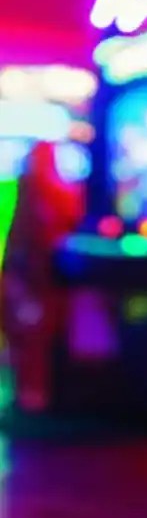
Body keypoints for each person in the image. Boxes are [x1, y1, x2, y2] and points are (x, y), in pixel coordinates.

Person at [1, 142, 81, 413]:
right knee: (32, 338)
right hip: (36, 279)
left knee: (34, 338)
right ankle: (33, 395)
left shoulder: (44, 193)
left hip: (38, 279)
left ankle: (34, 395)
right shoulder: (44, 193)